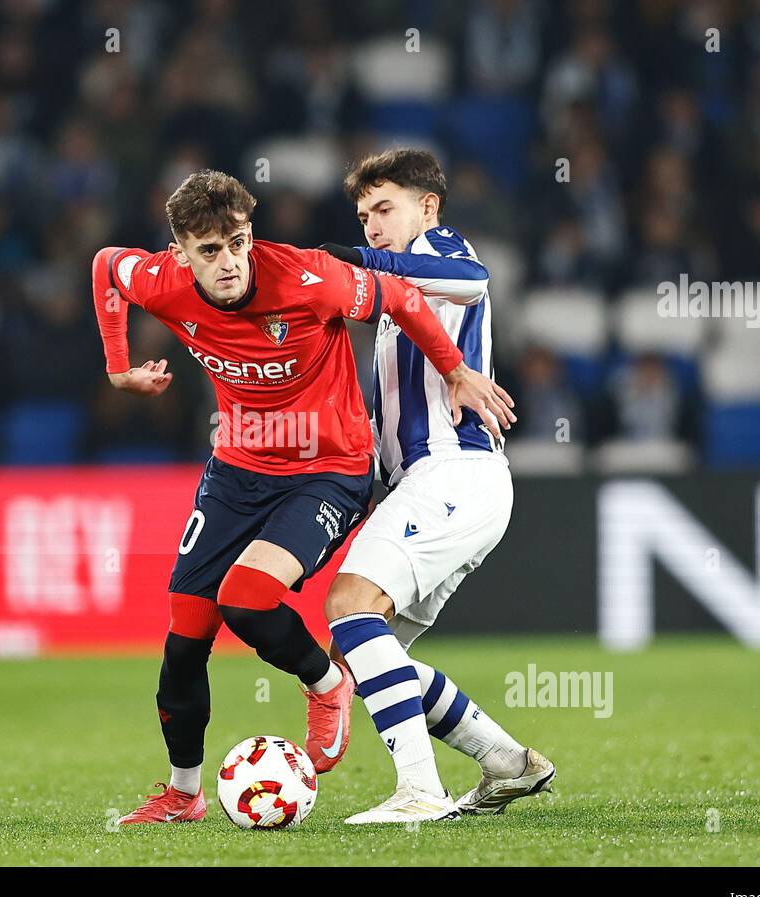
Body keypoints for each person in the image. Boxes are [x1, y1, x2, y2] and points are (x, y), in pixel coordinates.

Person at [90, 169, 513, 824]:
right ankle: (183, 793)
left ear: (250, 235)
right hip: (236, 470)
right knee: (184, 638)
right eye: (209, 251)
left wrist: (456, 371)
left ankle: (326, 683)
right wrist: (118, 365)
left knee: (248, 600)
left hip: (328, 468)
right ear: (180, 255)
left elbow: (401, 296)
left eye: (236, 243)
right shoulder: (161, 282)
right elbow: (106, 267)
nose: (228, 262)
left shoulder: (310, 276)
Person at [320, 148, 554, 823]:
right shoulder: (398, 308)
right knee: (358, 653)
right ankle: (510, 762)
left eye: (383, 209)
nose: (371, 226)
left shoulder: (439, 249)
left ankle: (419, 792)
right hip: (434, 486)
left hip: (455, 472)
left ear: (427, 207)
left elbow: (474, 279)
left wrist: (354, 259)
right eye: (362, 217)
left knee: (351, 604)